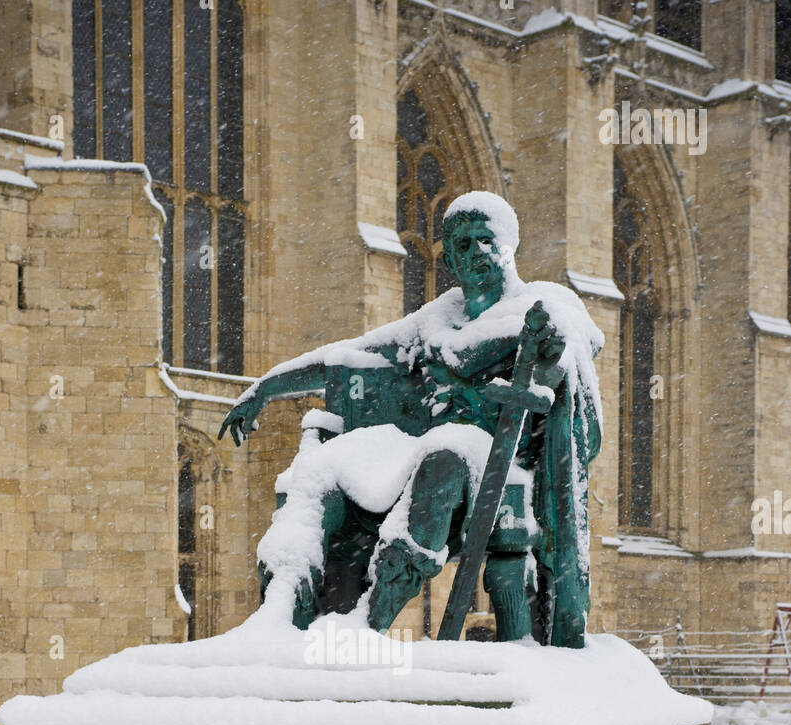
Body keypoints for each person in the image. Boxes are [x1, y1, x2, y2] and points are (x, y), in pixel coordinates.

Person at [219, 191, 603, 646]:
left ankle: (370, 622)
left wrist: (550, 351)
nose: (476, 251)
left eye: (486, 239)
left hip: (495, 464)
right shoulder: (435, 323)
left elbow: (566, 361)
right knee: (317, 475)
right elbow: (346, 357)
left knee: (445, 455)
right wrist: (265, 388)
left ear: (509, 245)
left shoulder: (544, 308)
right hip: (417, 465)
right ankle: (280, 614)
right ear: (452, 262)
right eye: (463, 245)